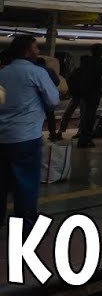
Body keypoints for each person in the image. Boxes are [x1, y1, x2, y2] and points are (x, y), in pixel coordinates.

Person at [0, 35, 61, 229]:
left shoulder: (2, 73)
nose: (38, 51)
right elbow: (53, 100)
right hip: (26, 137)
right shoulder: (37, 72)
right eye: (35, 48)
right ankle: (25, 225)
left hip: (2, 137)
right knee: (25, 184)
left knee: (1, 184)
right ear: (27, 51)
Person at [59, 45, 102, 147]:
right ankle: (84, 139)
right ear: (101, 52)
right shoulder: (101, 63)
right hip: (93, 93)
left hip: (80, 92)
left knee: (80, 114)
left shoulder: (85, 61)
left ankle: (64, 131)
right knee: (89, 117)